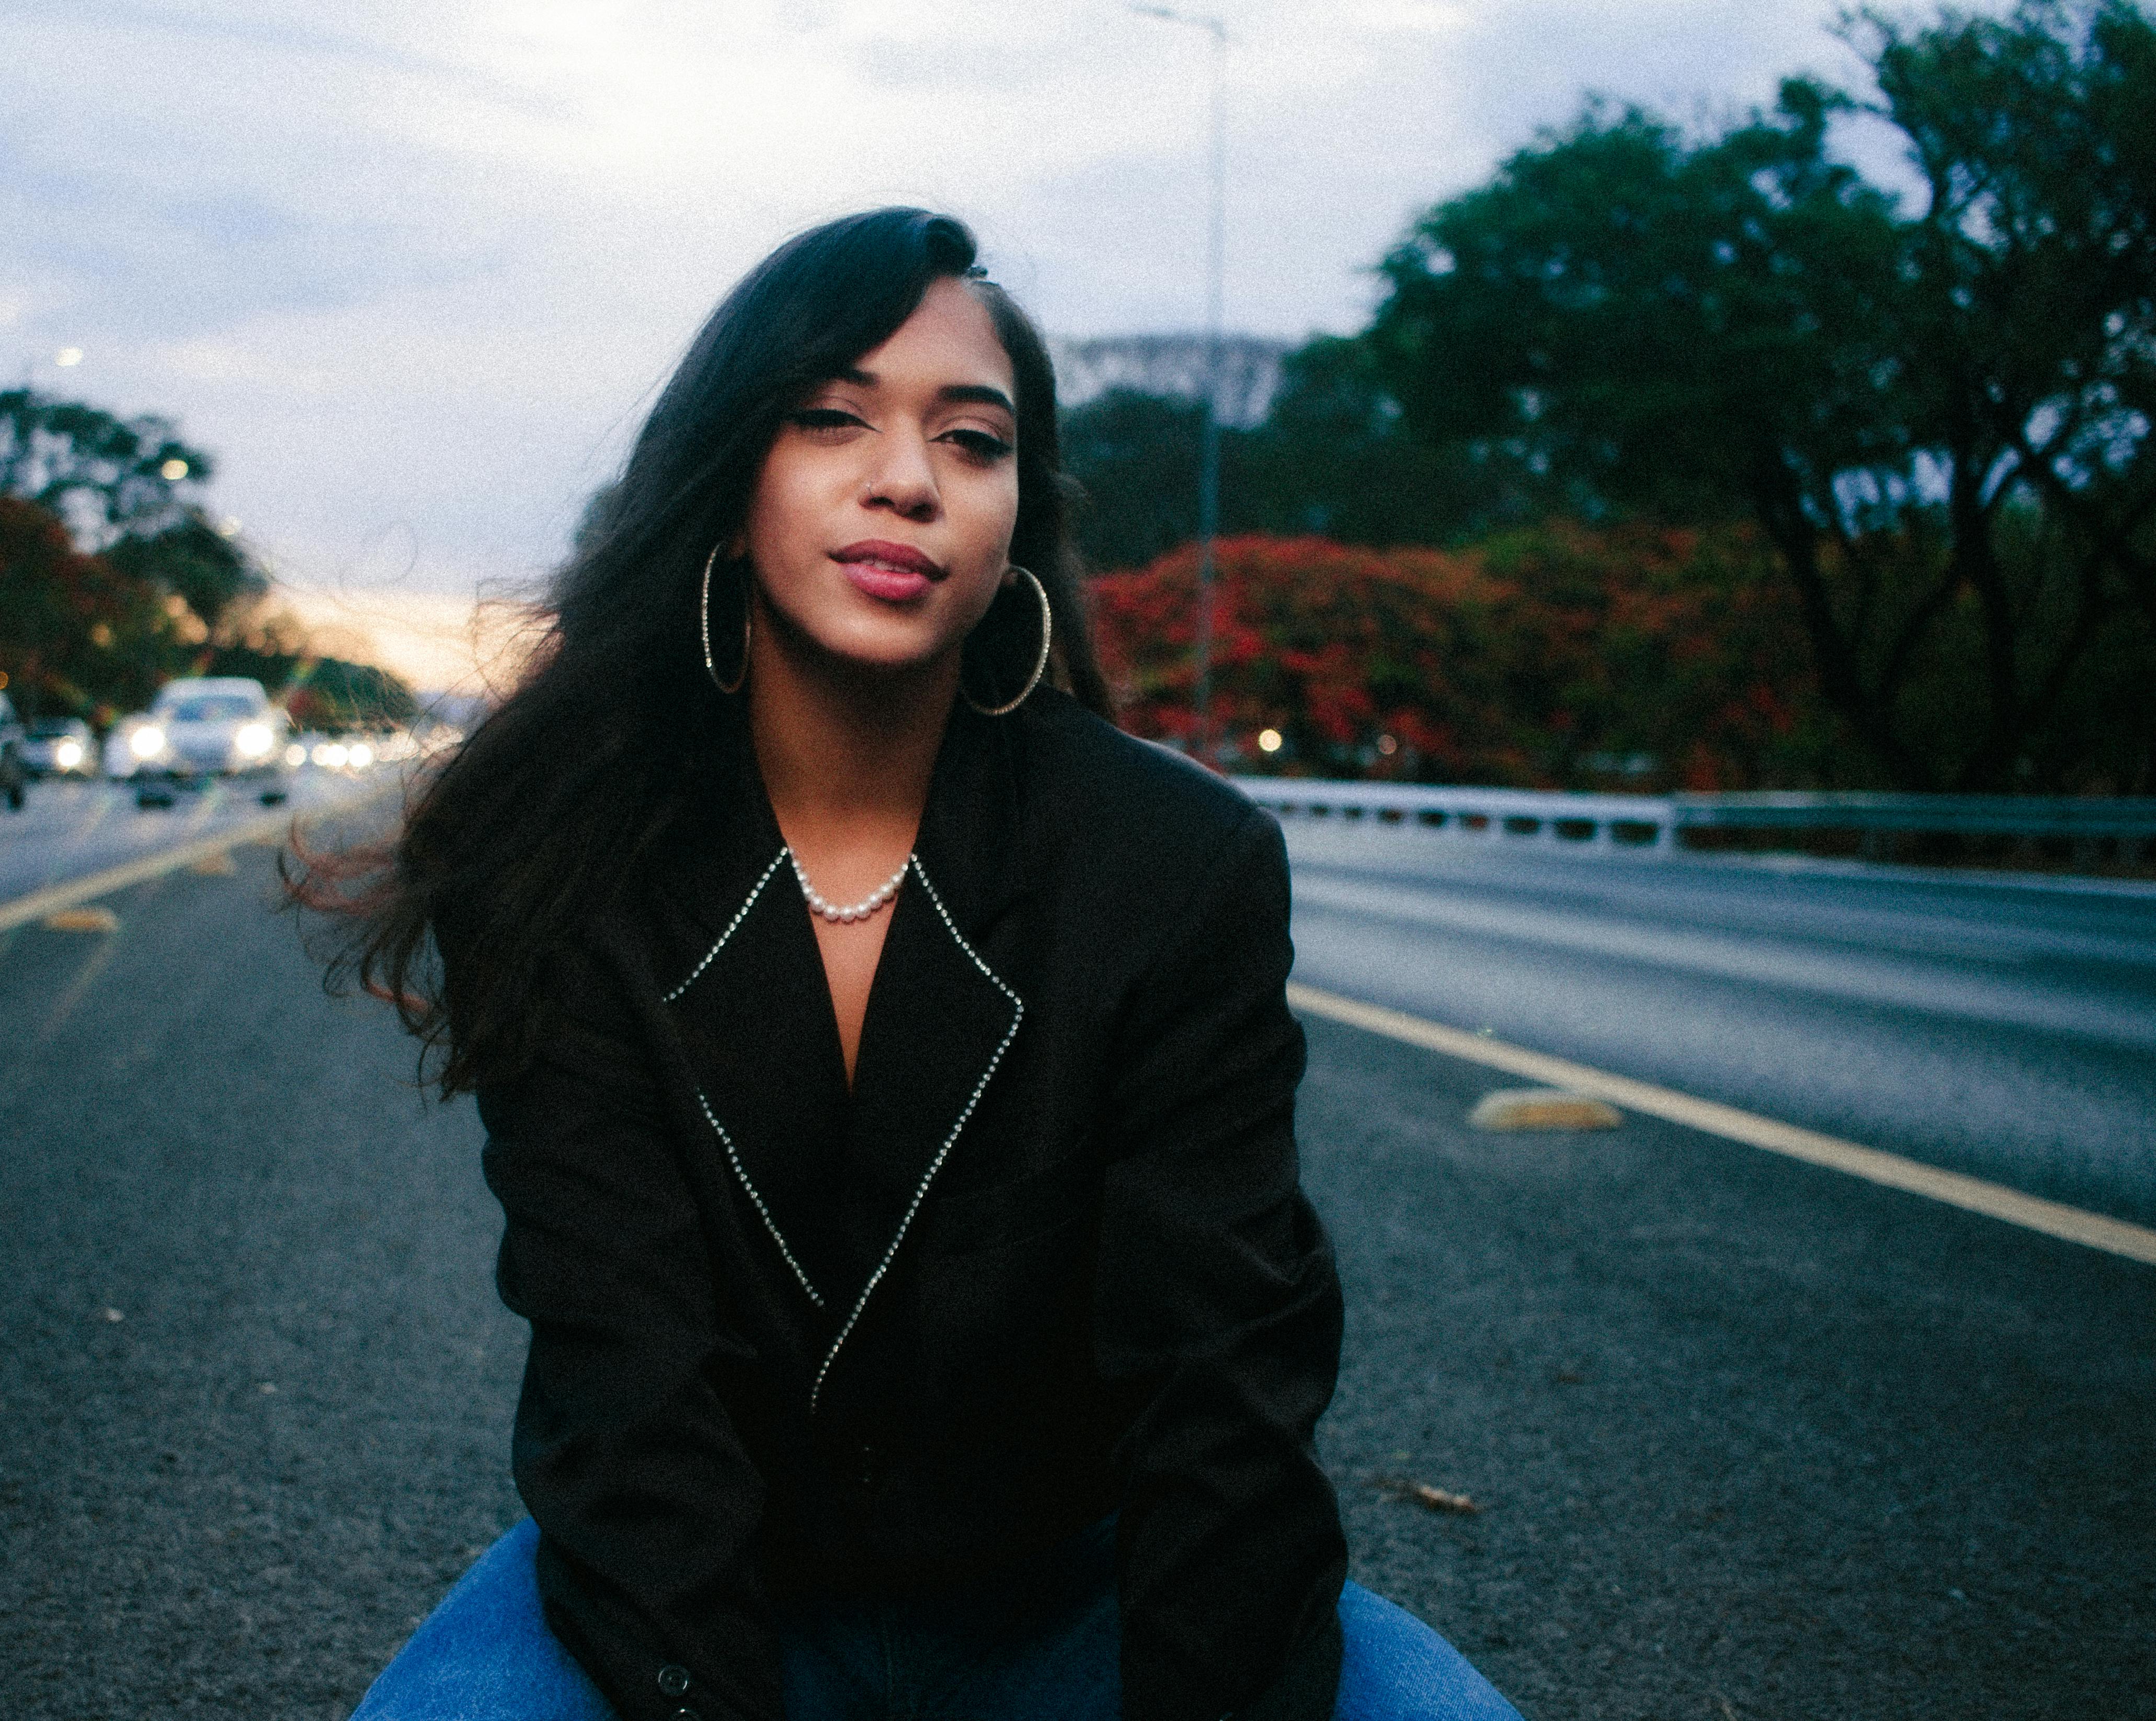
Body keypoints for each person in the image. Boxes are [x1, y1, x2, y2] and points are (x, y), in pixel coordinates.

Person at [314, 208, 1521, 1721]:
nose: (907, 479)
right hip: (698, 1593)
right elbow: (629, 1400)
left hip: (1083, 1592)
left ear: (1016, 515)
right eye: (832, 419)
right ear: (727, 472)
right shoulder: (572, 860)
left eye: (972, 441)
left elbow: (1220, 1395)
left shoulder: (1173, 865)